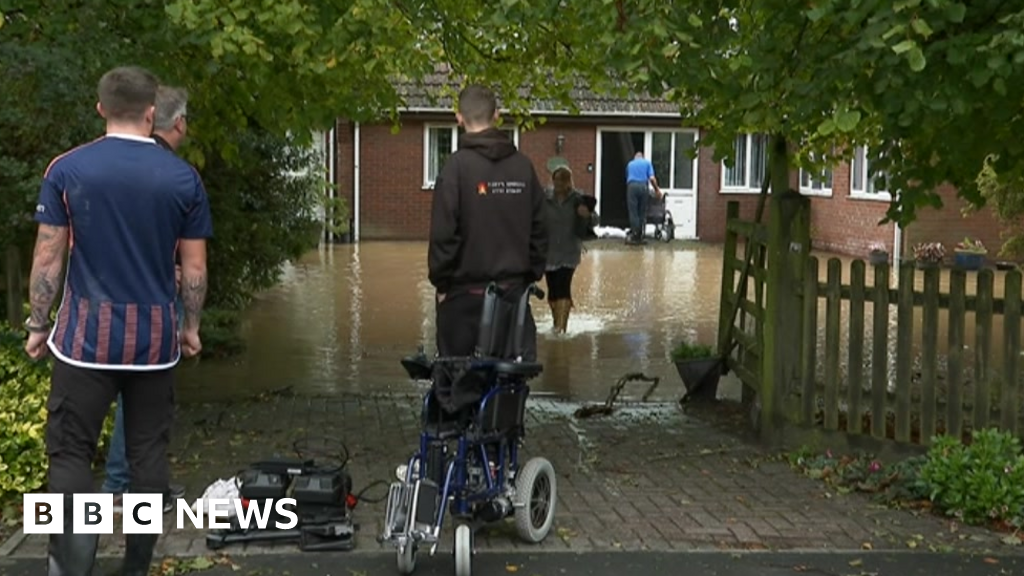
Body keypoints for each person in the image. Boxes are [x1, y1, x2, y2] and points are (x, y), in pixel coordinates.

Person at [24, 66, 213, 576]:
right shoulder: (183, 178)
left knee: (69, 451)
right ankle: (134, 567)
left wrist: (38, 325)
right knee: (148, 456)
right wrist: (190, 327)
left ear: (101, 108)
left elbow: (48, 256)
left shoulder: (67, 169)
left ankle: (73, 562)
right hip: (154, 342)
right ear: (153, 113)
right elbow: (193, 267)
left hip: (84, 340)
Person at [427, 84, 548, 413]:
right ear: (497, 117)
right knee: (505, 389)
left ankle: (457, 448)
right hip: (512, 303)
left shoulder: (455, 169)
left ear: (459, 119)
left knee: (456, 385)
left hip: (464, 304)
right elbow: (541, 231)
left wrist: (441, 284)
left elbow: (443, 236)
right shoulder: (524, 168)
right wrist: (531, 275)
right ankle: (499, 457)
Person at [102, 85, 190, 512]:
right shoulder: (168, 172)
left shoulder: (105, 165)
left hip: (104, 300)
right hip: (151, 301)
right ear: (177, 122)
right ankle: (128, 488)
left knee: (122, 395)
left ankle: (126, 484)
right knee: (148, 400)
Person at [543, 164, 591, 334]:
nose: (558, 184)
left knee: (563, 286)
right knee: (552, 289)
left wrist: (587, 214)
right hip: (549, 252)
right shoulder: (545, 198)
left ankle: (561, 328)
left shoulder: (577, 198)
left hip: (569, 251)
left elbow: (595, 219)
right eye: (556, 180)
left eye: (562, 180)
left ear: (568, 181)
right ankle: (557, 321)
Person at [625, 151, 662, 245]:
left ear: (635, 157)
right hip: (643, 186)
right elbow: (652, 179)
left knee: (633, 211)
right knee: (642, 211)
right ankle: (640, 235)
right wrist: (657, 190)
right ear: (642, 157)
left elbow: (627, 177)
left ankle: (635, 234)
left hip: (632, 186)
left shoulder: (630, 164)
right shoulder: (647, 163)